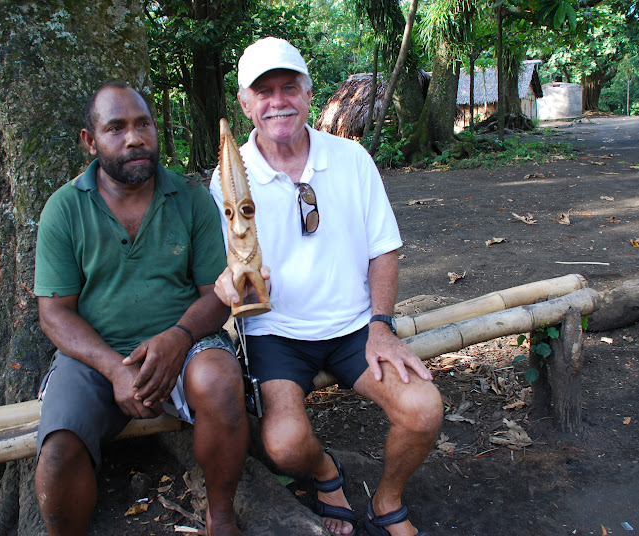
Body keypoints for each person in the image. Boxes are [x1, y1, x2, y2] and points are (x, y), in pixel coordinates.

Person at [211, 38, 443, 536]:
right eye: (264, 91)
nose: (278, 101)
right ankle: (325, 471)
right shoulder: (230, 178)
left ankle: (386, 501)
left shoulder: (351, 158)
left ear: (308, 93)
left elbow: (383, 249)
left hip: (354, 326)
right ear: (245, 103)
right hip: (275, 333)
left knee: (424, 410)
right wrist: (233, 285)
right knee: (286, 445)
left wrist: (381, 326)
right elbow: (227, 270)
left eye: (289, 87)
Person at [34, 82, 248, 536]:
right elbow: (54, 312)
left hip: (188, 343)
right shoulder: (65, 208)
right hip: (96, 355)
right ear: (90, 142)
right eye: (116, 128)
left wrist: (178, 338)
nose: (134, 138)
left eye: (143, 124)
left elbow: (216, 293)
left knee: (222, 383)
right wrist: (115, 370)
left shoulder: (190, 199)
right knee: (58, 448)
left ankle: (222, 517)